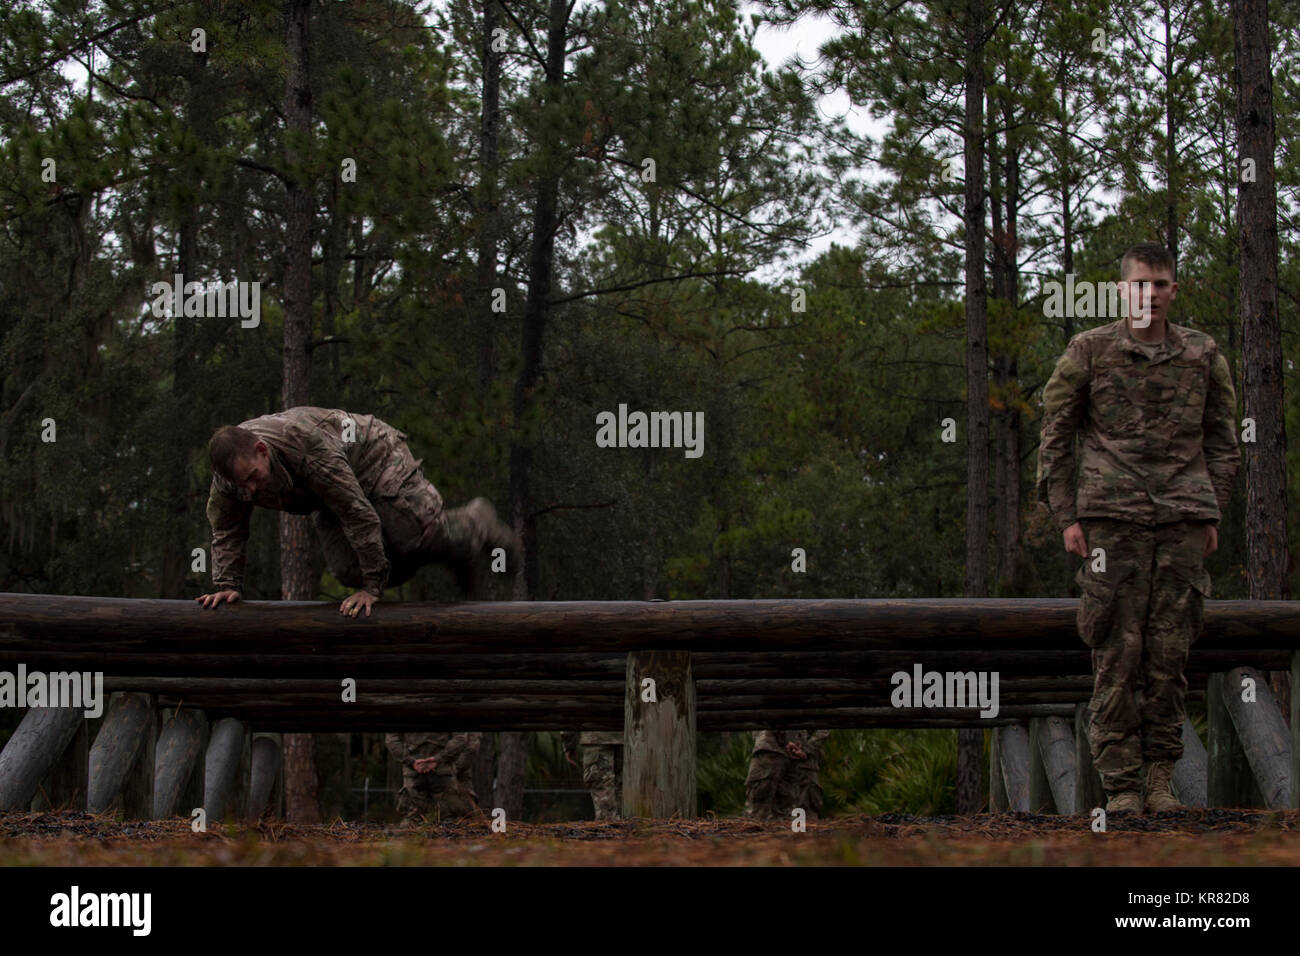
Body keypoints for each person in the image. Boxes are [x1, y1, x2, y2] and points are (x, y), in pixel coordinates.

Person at [195, 406, 519, 821]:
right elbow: (226, 529)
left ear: (261, 450)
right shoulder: (231, 480)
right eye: (243, 486)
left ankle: (476, 524)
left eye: (254, 479)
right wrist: (227, 585)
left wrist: (373, 588)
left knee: (416, 533)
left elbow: (355, 511)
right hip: (325, 494)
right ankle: (442, 554)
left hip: (371, 458)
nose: (252, 492)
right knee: (347, 568)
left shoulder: (306, 444)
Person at [1035, 243, 1240, 813]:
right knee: (1117, 651)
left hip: (1180, 519)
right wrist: (1066, 516)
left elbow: (1224, 440)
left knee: (1169, 655)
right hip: (1110, 520)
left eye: (1160, 283)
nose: (1149, 293)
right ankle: (1122, 786)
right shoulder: (1090, 350)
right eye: (1139, 283)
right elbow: (1055, 434)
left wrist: (1211, 510)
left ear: (1175, 290)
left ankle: (1158, 779)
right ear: (1121, 289)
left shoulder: (1203, 353)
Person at [743, 730, 830, 821]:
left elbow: (824, 728)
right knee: (759, 807)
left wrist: (806, 748)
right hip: (770, 749)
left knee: (803, 811)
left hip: (802, 756)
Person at [561, 731, 622, 820]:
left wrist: (569, 744)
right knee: (623, 788)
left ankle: (607, 827)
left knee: (602, 786)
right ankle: (627, 828)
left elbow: (570, 718)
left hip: (596, 736)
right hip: (629, 736)